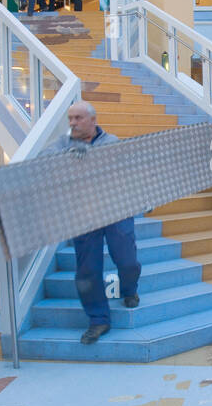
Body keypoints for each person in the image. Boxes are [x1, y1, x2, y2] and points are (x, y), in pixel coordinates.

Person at [46, 102, 141, 345]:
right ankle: (98, 319)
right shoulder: (62, 144)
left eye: (78, 118)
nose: (72, 123)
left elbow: (129, 173)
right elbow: (42, 165)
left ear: (93, 120)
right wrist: (66, 160)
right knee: (88, 270)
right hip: (83, 212)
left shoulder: (112, 142)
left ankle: (129, 289)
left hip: (116, 208)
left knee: (128, 260)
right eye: (70, 118)